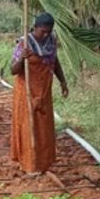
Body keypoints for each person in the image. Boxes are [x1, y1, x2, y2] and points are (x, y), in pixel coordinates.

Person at [10, 13, 69, 174]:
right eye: (43, 31)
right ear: (35, 28)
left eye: (49, 31)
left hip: (44, 92)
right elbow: (13, 70)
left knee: (44, 129)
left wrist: (63, 81)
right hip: (27, 92)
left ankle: (43, 163)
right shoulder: (24, 44)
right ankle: (29, 165)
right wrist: (22, 59)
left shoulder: (51, 41)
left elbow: (54, 62)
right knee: (28, 127)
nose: (45, 35)